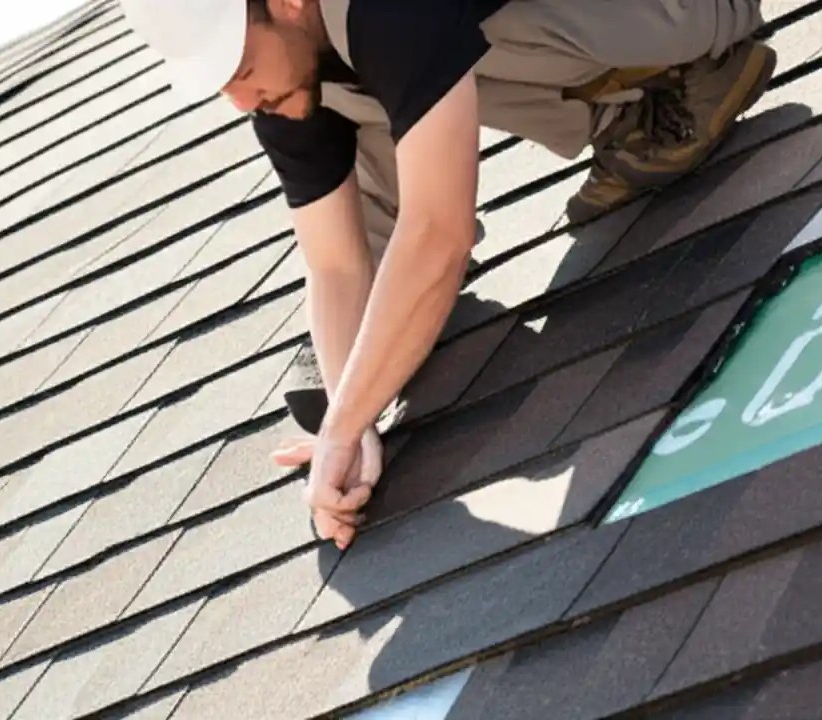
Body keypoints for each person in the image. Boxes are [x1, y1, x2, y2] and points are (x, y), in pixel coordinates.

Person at [119, 0, 776, 549]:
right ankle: (392, 320)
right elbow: (334, 263)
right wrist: (355, 424)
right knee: (340, 94)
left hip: (679, 11)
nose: (238, 100)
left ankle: (673, 89)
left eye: (239, 68)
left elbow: (440, 234)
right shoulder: (286, 70)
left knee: (402, 58)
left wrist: (344, 426)